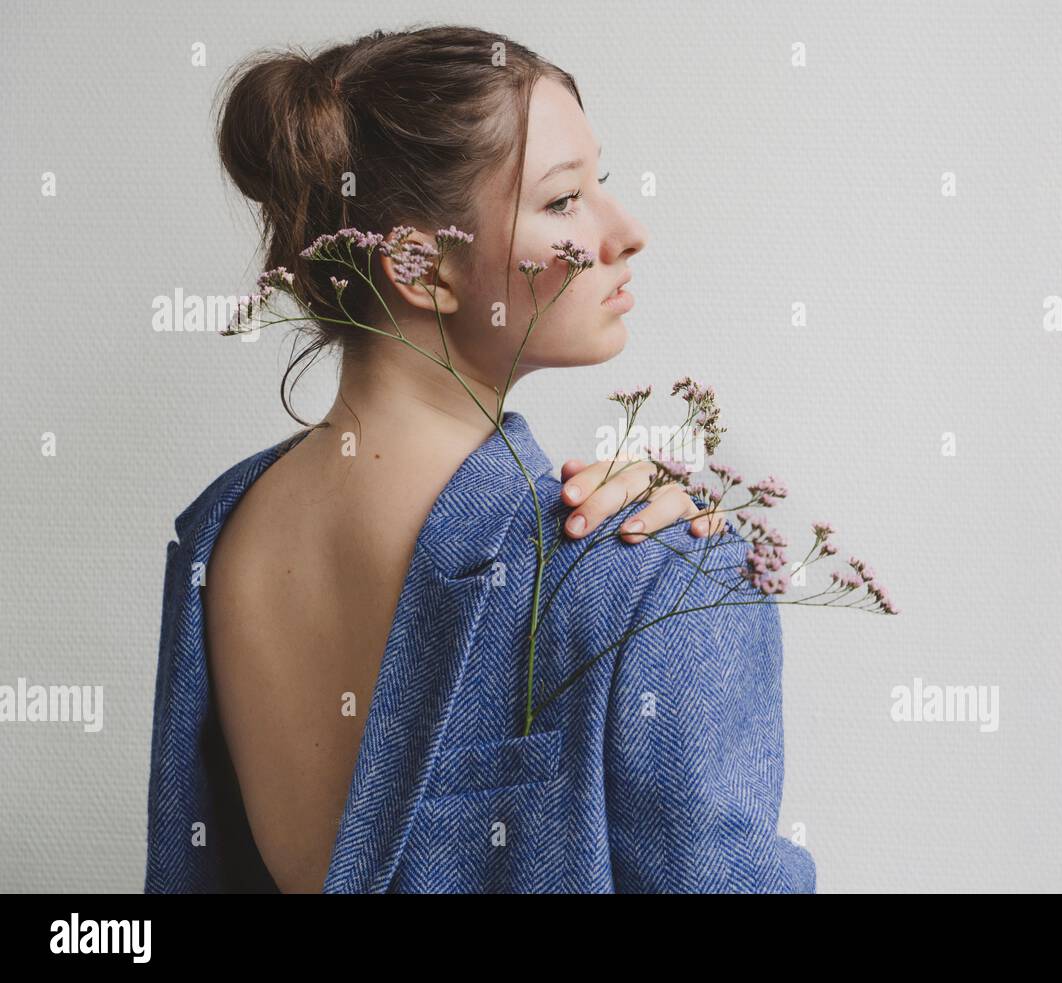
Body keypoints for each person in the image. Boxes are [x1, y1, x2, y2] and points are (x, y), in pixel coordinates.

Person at [145, 24, 815, 894]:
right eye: (563, 201)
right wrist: (668, 574)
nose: (627, 231)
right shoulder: (654, 571)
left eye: (599, 184)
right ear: (421, 267)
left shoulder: (219, 530)